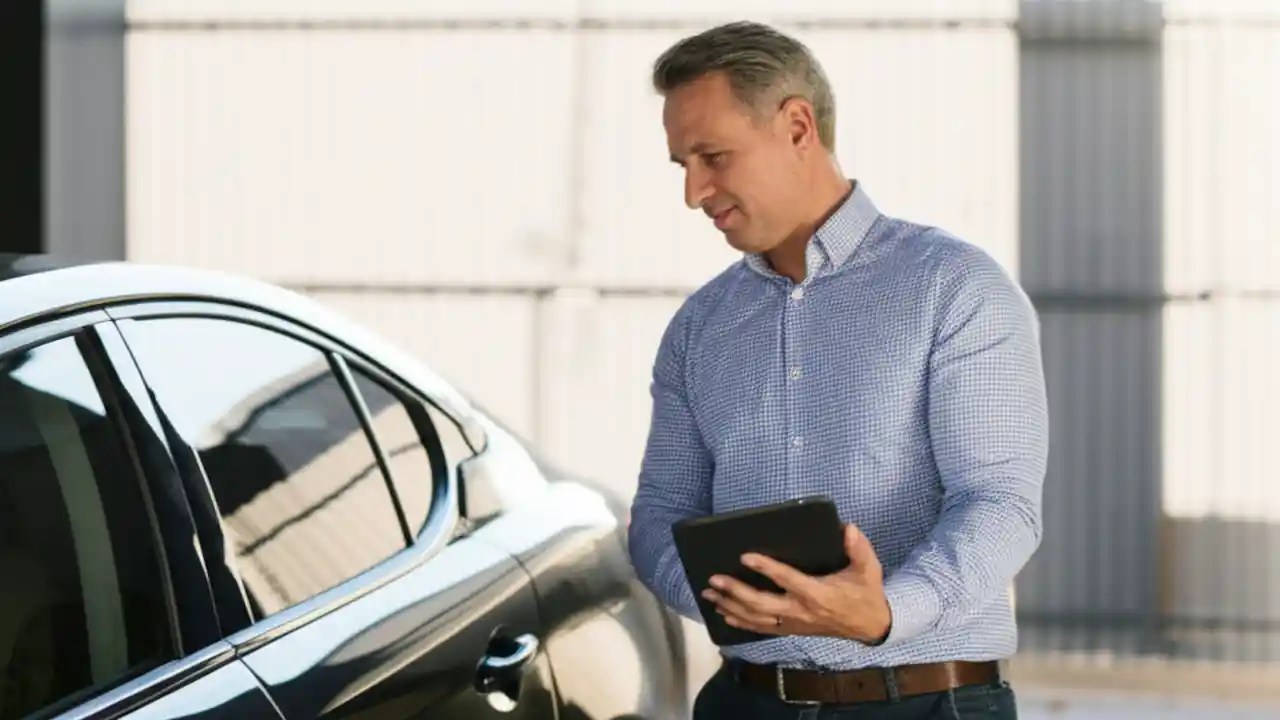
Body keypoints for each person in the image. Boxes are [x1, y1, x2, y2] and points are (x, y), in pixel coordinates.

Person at [627, 21, 1048, 719]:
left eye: (714, 157)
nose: (695, 192)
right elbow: (660, 515)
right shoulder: (698, 328)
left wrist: (884, 612)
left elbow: (1000, 504)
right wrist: (738, 606)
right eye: (683, 165)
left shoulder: (954, 288)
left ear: (797, 126)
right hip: (745, 704)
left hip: (924, 703)